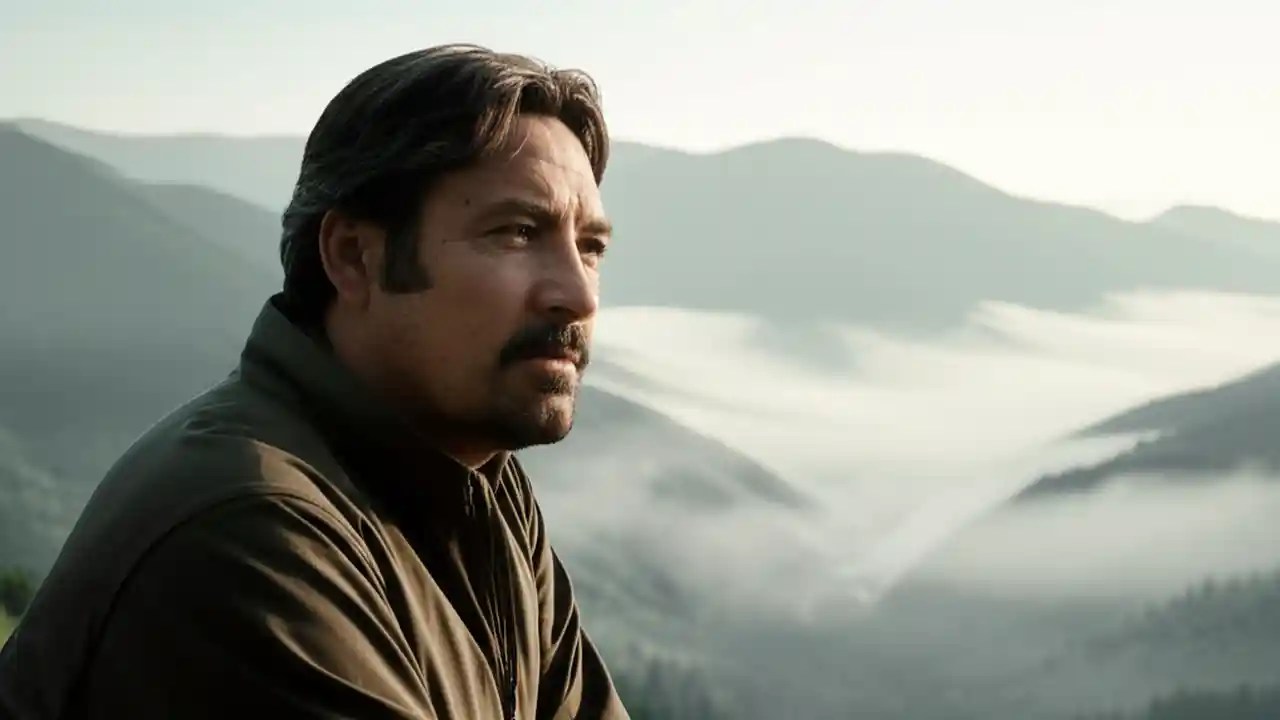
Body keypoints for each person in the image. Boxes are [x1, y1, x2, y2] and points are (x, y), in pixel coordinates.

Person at [0, 44, 629, 719]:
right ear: (354, 257)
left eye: (589, 247)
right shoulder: (254, 528)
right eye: (516, 232)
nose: (578, 294)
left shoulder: (486, 494)